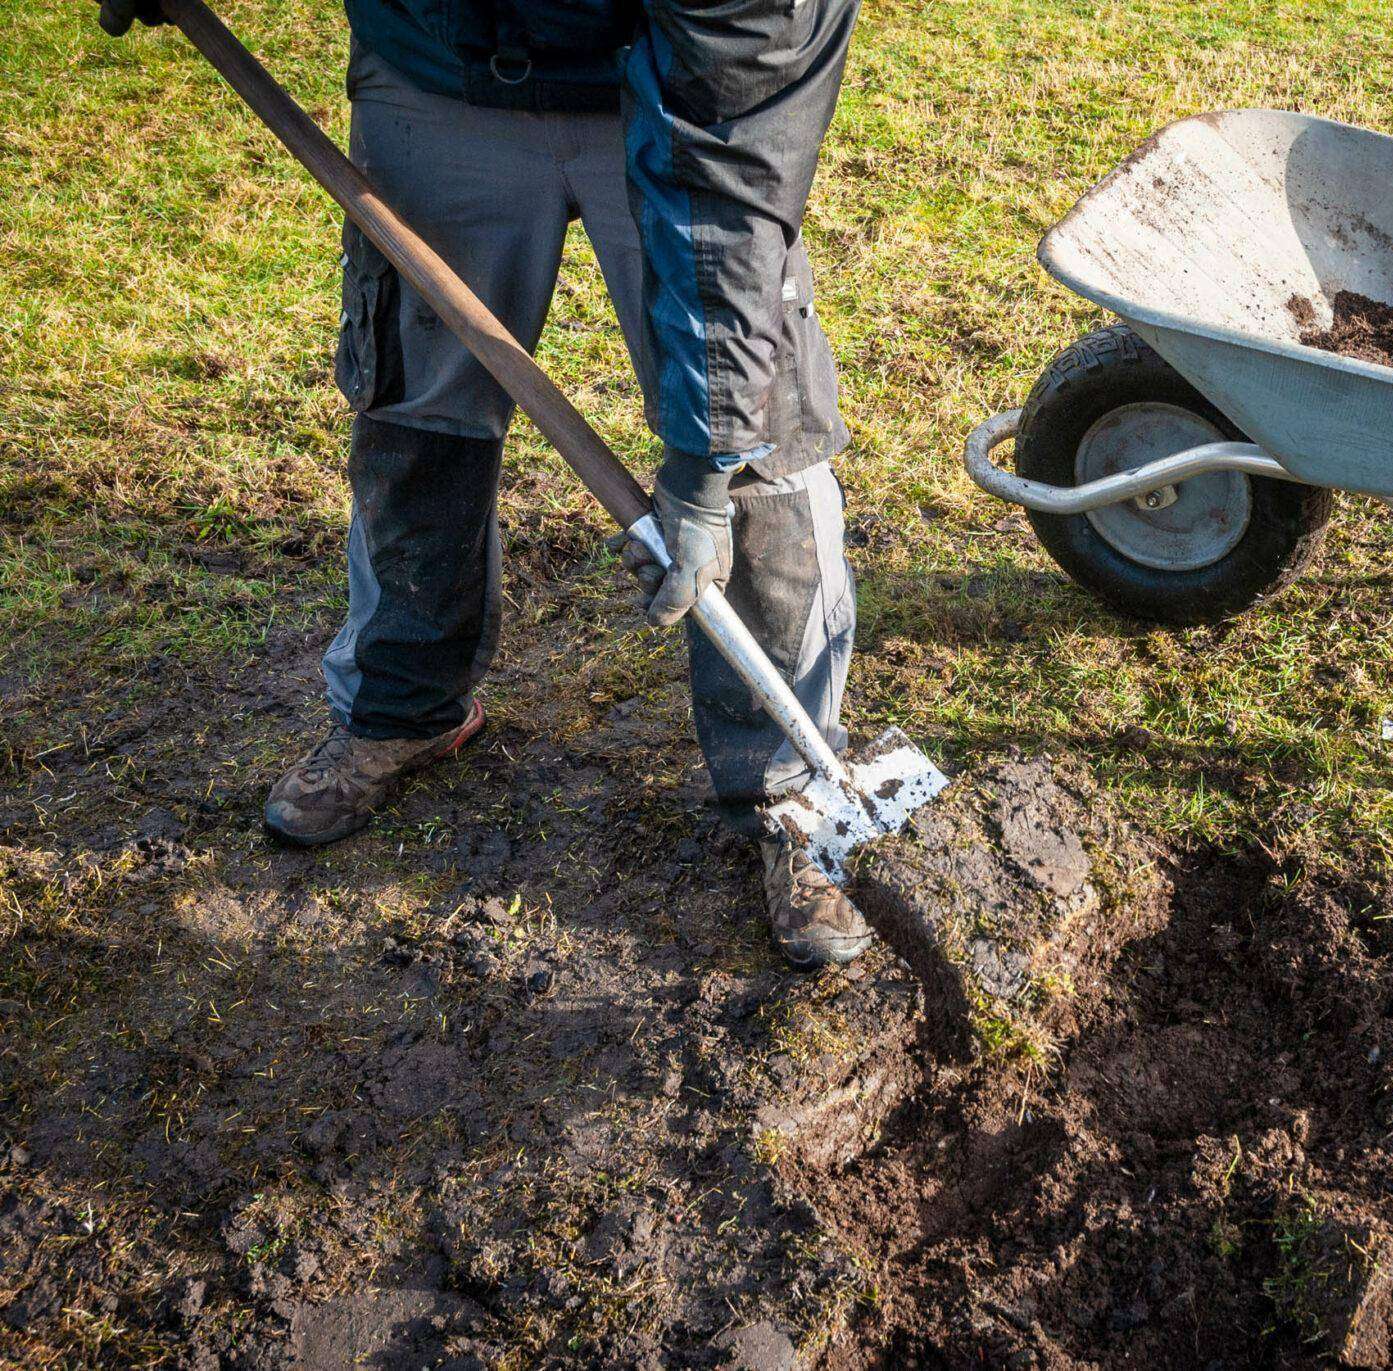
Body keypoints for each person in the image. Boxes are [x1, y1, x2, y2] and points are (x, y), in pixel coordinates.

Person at [96, 0, 873, 969]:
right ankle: (403, 705)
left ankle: (793, 783)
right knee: (416, 396)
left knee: (755, 436)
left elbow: (734, 151)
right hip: (438, 65)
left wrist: (703, 462)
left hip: (691, 91)